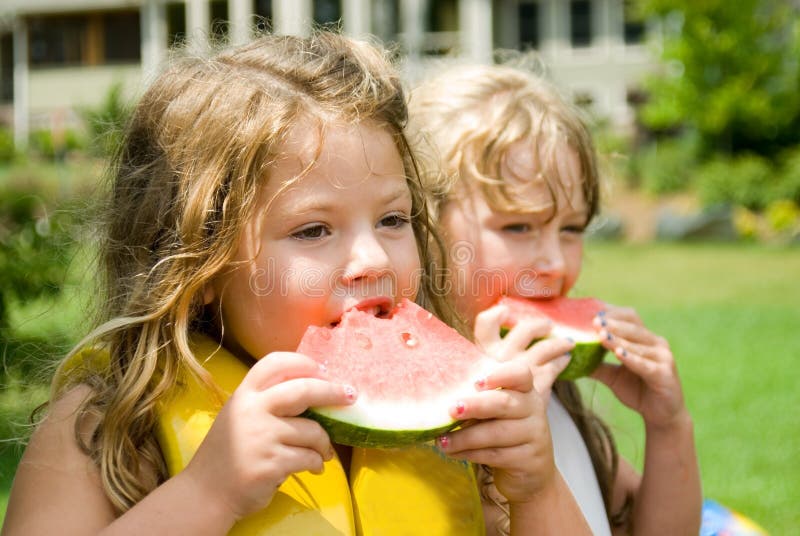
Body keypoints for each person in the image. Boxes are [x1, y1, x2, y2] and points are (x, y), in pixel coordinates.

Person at [2, 33, 591, 535]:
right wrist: (207, 495)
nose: (371, 259)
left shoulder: (454, 425)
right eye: (313, 230)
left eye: (392, 219)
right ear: (200, 261)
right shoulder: (105, 425)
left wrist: (536, 489)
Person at [408, 62, 703, 535]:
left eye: (571, 229)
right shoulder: (421, 432)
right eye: (519, 226)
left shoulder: (555, 400)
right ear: (425, 226)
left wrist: (668, 426)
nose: (556, 264)